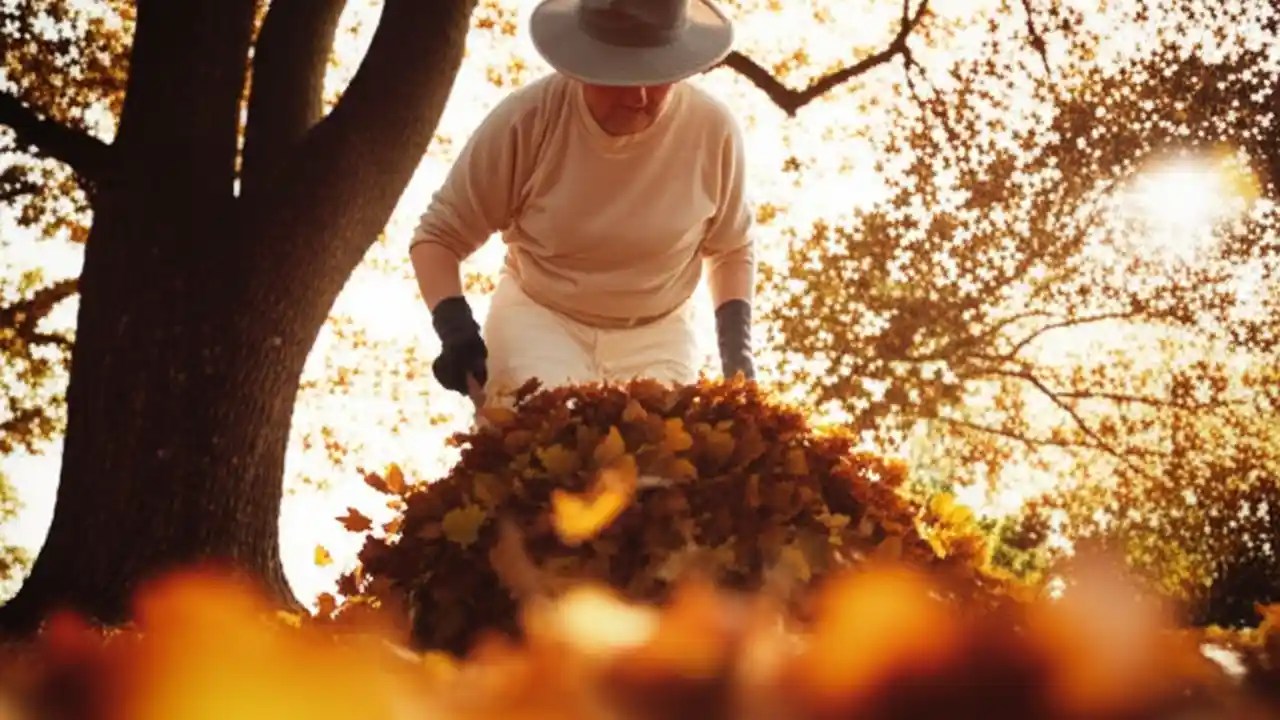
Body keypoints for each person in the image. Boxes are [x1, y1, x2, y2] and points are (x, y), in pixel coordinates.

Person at [409, 0, 756, 407]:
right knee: (544, 436)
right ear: (580, 65)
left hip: (659, 332)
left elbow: (732, 249)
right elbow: (438, 237)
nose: (640, 96)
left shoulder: (712, 130)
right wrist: (456, 330)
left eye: (658, 75)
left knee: (663, 447)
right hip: (540, 320)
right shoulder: (530, 120)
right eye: (621, 76)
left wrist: (738, 359)